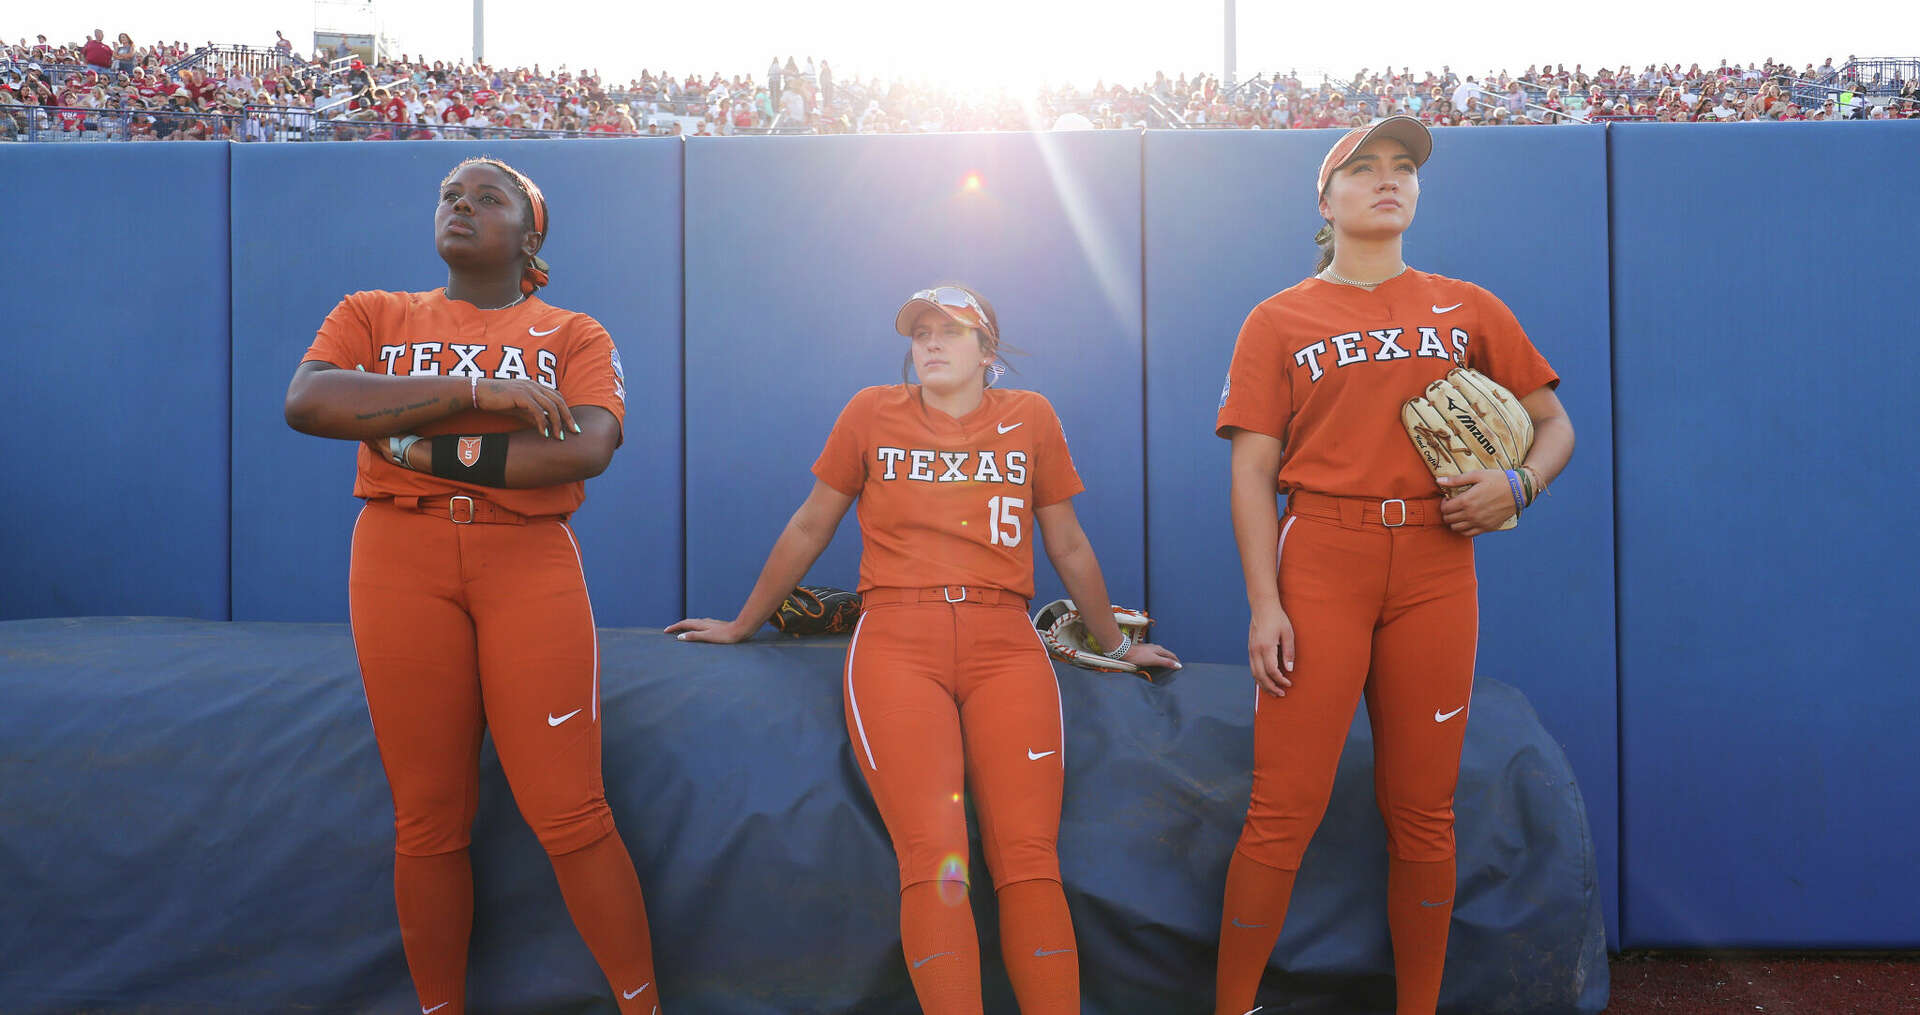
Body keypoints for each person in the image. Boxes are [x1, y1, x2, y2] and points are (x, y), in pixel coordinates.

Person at [669, 284, 1179, 1014]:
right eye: (921, 333)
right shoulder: (871, 410)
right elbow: (811, 525)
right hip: (897, 640)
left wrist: (1113, 645)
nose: (932, 343)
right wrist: (743, 623)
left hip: (1005, 640)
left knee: (1029, 860)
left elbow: (1067, 542)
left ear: (987, 349)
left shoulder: (1031, 415)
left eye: (952, 330)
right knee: (936, 858)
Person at [1211, 116, 1575, 1015]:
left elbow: (1553, 425)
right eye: (1363, 167)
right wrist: (1265, 603)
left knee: (1424, 809)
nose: (1388, 178)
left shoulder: (1467, 306)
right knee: (1284, 806)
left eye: (1403, 166)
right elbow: (1252, 471)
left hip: (1436, 560)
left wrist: (1518, 484)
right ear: (1325, 201)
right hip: (1321, 555)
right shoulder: (1279, 317)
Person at [282, 158, 663, 1015]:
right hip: (399, 554)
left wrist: (417, 445)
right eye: (451, 195)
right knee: (427, 816)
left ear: (530, 237)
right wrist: (473, 390)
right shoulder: (374, 312)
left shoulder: (571, 331)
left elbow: (584, 448)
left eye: (488, 198)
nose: (462, 205)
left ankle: (643, 1005)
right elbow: (308, 402)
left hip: (526, 555)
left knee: (570, 809)